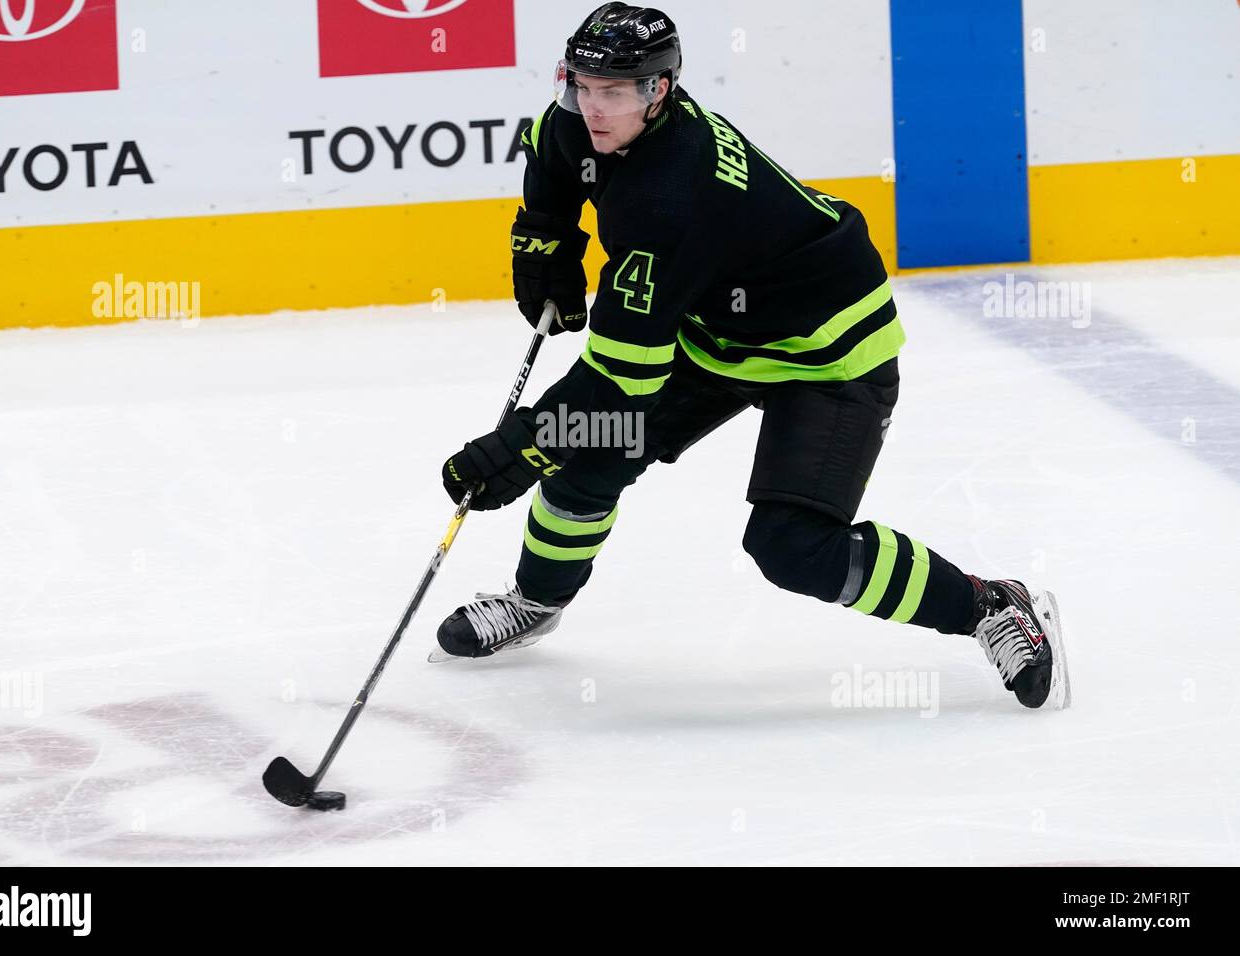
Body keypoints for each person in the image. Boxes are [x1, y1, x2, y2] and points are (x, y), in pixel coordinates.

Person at [435, 3, 1070, 710]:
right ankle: (536, 601)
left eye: (612, 92)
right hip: (718, 332)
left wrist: (521, 444)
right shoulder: (583, 124)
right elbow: (556, 162)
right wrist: (545, 237)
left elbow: (619, 381)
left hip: (827, 349)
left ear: (660, 91)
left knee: (791, 545)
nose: (592, 108)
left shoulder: (668, 197)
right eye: (581, 86)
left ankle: (990, 606)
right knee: (590, 456)